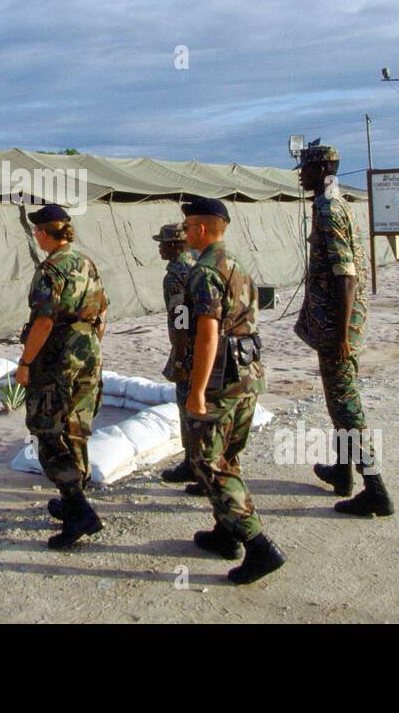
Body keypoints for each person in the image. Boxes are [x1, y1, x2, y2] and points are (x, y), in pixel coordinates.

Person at [181, 196, 286, 585]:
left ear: (203, 229)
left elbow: (208, 335)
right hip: (247, 376)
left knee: (208, 461)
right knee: (229, 456)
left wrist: (197, 391)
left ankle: (259, 545)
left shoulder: (205, 271)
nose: (186, 232)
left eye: (189, 226)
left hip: (222, 380)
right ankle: (226, 532)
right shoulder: (238, 266)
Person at [294, 143, 394, 517]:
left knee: (347, 406)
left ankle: (376, 488)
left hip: (339, 326)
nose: (301, 175)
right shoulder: (336, 202)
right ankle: (341, 471)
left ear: (321, 168)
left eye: (305, 169)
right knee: (337, 401)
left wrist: (339, 337)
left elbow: (346, 277)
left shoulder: (328, 208)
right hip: (339, 323)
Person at [15, 204, 110, 549]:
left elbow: (43, 321)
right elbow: (103, 309)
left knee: (48, 427)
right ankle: (74, 501)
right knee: (77, 425)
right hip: (88, 351)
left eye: (37, 232)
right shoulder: (87, 263)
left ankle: (78, 508)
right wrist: (89, 344)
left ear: (43, 233)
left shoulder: (49, 270)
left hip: (57, 358)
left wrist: (26, 362)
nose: (36, 237)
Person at [154, 222, 201, 488]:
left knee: (188, 406)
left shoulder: (176, 275)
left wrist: (181, 354)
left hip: (188, 349)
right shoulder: (197, 265)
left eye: (163, 243)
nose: (160, 248)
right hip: (204, 345)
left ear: (174, 245)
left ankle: (194, 464)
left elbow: (180, 316)